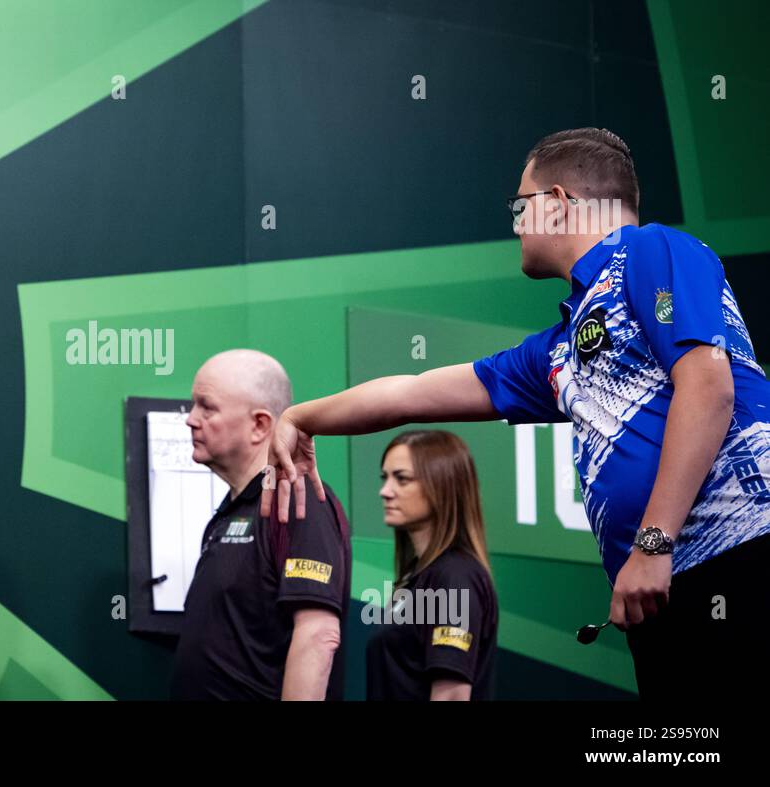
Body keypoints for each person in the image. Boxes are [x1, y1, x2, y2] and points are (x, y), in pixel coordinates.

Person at [262, 128, 770, 700]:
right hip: (661, 592)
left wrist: (653, 544)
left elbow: (709, 388)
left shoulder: (653, 250)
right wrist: (299, 418)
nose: (516, 223)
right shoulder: (556, 352)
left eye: (520, 206)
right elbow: (410, 392)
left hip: (741, 557)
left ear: (556, 204)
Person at [170, 349, 351, 700]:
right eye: (194, 405)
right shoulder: (231, 513)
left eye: (207, 406)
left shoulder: (299, 499)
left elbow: (318, 636)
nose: (191, 419)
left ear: (260, 425)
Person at [366, 431, 498, 701]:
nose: (385, 491)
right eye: (385, 478)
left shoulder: (454, 576)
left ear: (442, 485)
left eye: (401, 479)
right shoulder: (419, 575)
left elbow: (452, 695)